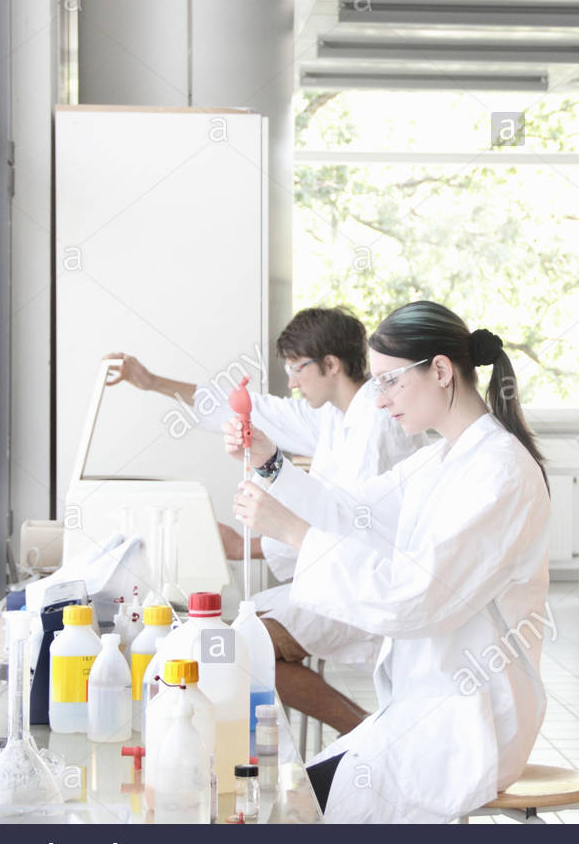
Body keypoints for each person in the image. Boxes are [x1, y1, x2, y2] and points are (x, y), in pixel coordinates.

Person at [227, 301, 552, 823]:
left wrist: (292, 532)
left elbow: (416, 599)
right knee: (293, 799)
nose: (379, 403)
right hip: (424, 706)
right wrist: (270, 462)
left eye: (390, 383)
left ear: (441, 371)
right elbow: (354, 511)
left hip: (474, 719)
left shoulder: (500, 472)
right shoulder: (442, 459)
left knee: (304, 809)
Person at [104, 307, 427, 733]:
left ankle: (364, 730)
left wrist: (246, 547)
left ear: (331, 364)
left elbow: (347, 522)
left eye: (297, 368)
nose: (292, 381)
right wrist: (152, 383)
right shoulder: (332, 416)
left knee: (244, 650)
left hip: (366, 580)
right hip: (332, 571)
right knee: (232, 637)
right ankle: (363, 730)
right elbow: (247, 408)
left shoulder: (377, 423)